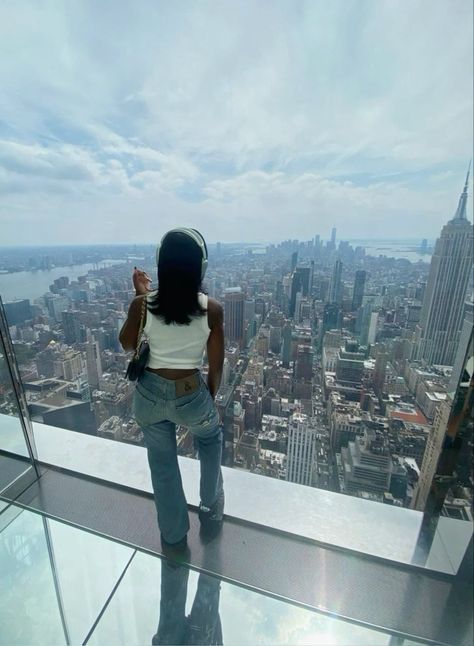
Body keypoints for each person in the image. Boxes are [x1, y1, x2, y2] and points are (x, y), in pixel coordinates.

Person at [119, 228, 225, 551]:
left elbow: (126, 344)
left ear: (160, 265)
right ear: (200, 268)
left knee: (163, 464)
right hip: (190, 392)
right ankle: (209, 508)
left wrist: (140, 297)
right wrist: (206, 398)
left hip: (149, 395)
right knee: (209, 436)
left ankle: (174, 536)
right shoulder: (213, 309)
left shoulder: (144, 305)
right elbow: (216, 366)